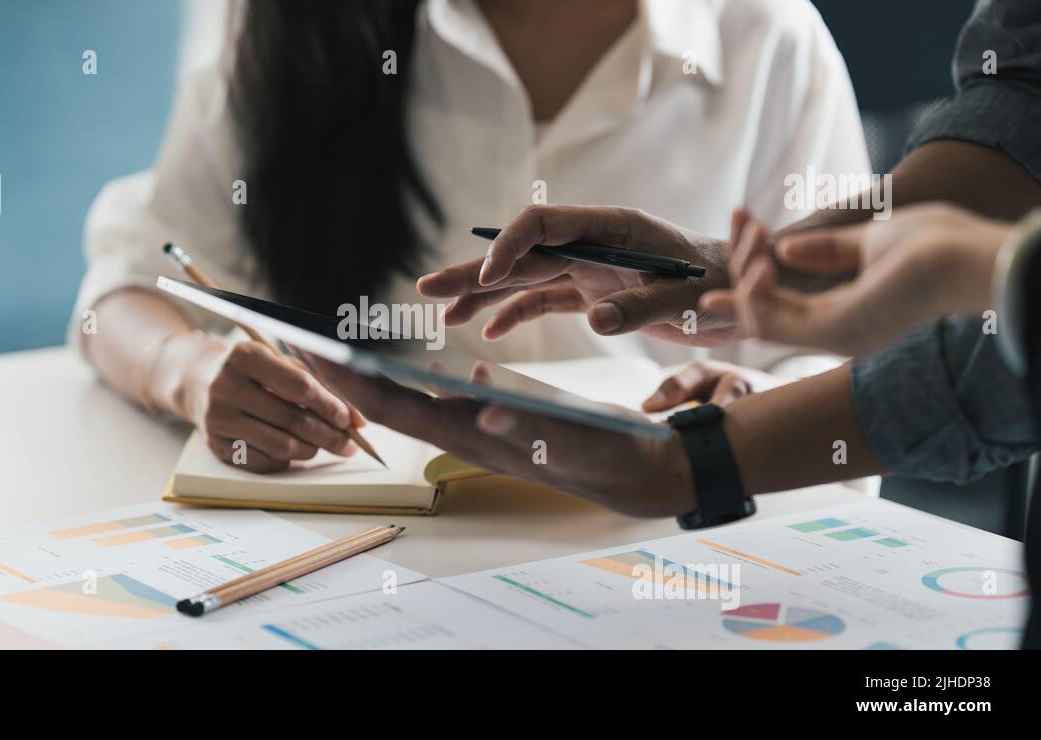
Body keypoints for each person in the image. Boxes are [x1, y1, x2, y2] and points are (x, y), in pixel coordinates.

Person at [323, 0, 1041, 646]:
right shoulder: (327, 39)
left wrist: (689, 458)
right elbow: (1021, 115)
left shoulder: (768, 38)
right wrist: (720, 278)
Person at [72, 0, 868, 472]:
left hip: (664, 539)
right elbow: (127, 283)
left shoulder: (769, 42)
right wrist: (190, 368)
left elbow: (860, 343)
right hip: (372, 547)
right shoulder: (302, 25)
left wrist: (752, 412)